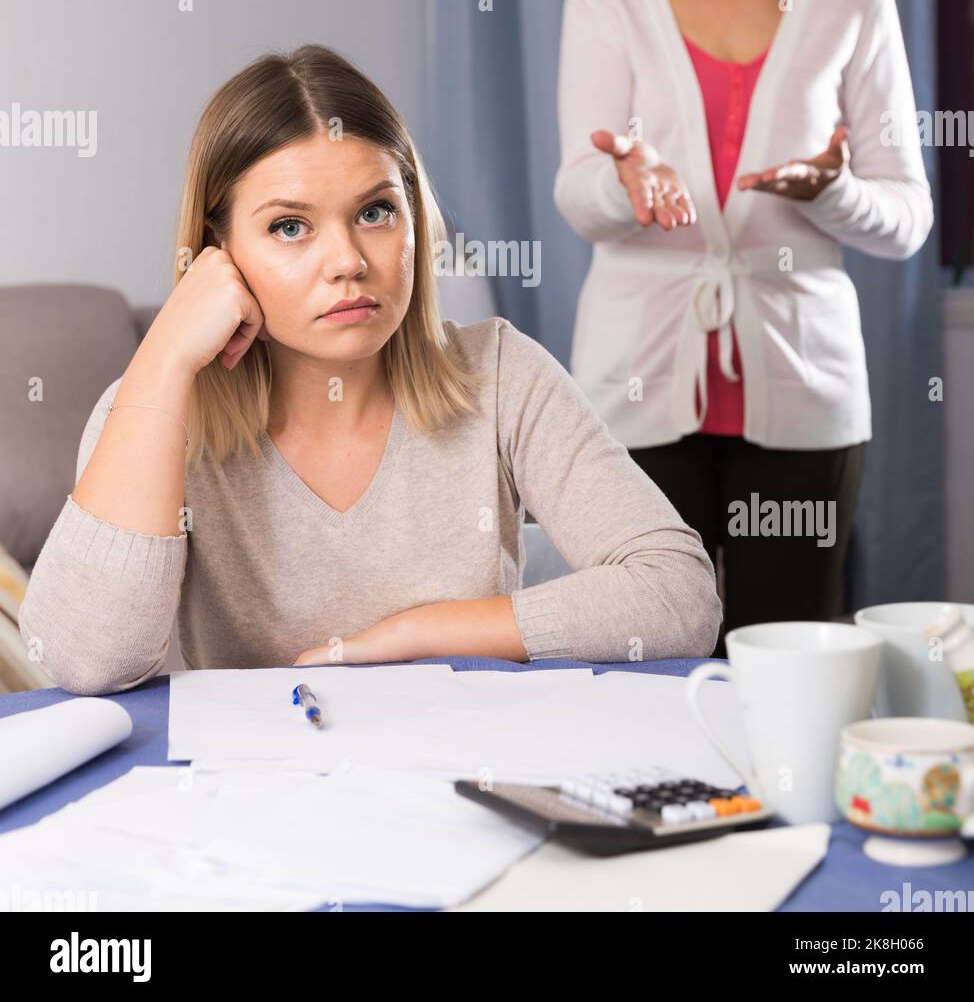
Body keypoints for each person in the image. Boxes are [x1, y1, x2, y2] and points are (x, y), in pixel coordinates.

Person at [19, 45, 721, 696]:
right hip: (259, 799)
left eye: (376, 212)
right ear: (217, 251)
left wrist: (407, 638)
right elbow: (83, 662)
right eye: (289, 226)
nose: (349, 260)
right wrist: (164, 358)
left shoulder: (502, 374)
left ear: (415, 221)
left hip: (470, 775)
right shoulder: (149, 409)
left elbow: (678, 596)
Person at [553, 0, 933, 657]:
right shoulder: (604, 1)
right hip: (635, 393)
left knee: (785, 665)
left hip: (805, 399)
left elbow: (908, 219)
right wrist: (626, 185)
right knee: (638, 658)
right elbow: (577, 192)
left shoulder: (853, 1)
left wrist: (834, 192)